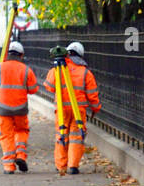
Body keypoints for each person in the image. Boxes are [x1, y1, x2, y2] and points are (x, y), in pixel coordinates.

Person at [42, 41, 100, 175]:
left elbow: (49, 86)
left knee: (61, 135)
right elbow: (93, 95)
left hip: (61, 109)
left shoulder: (57, 69)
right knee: (76, 137)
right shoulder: (85, 72)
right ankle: (73, 166)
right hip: (78, 111)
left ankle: (61, 166)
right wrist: (96, 108)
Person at [0, 40, 38, 173]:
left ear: (7, 54)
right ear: (21, 55)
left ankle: (9, 166)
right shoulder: (26, 70)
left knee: (6, 135)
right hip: (20, 108)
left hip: (3, 108)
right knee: (21, 131)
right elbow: (33, 89)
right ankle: (20, 155)